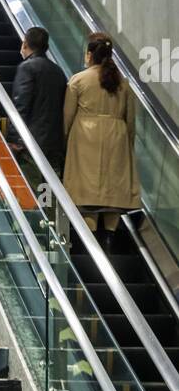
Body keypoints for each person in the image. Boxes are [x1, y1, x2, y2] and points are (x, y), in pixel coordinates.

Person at [63, 31, 141, 244]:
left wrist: (65, 142)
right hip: (118, 138)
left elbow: (67, 118)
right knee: (112, 193)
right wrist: (128, 145)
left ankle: (89, 242)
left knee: (87, 193)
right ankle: (110, 240)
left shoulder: (78, 80)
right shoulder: (123, 83)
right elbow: (131, 120)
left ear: (89, 54)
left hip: (85, 138)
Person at [9, 26, 67, 207]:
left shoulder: (27, 68)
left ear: (25, 43)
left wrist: (14, 138)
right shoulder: (58, 71)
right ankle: (51, 228)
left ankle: (36, 231)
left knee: (31, 192)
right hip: (54, 144)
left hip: (32, 144)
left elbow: (21, 105)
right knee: (49, 192)